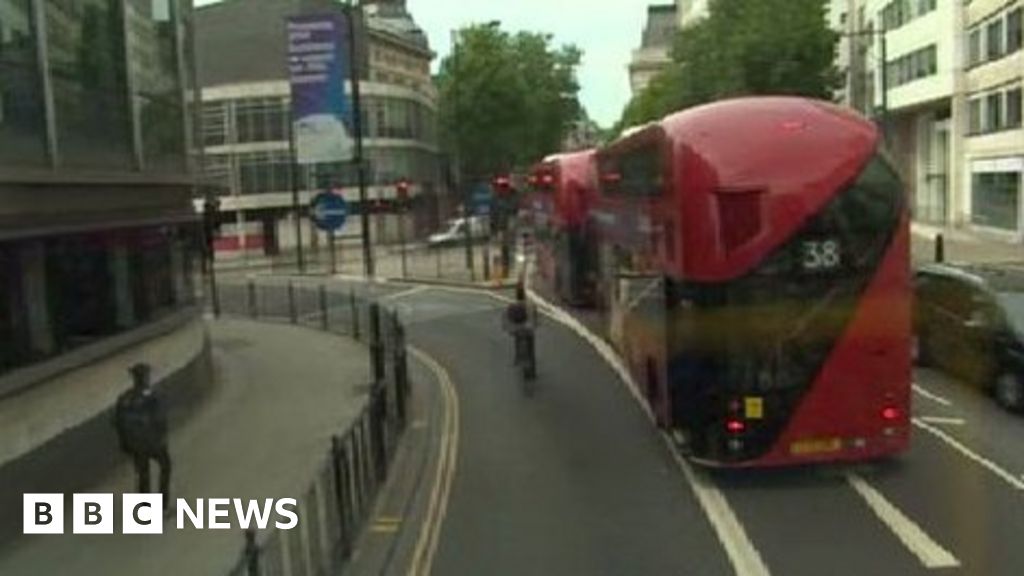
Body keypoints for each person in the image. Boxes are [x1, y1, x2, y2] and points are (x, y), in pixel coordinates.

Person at [114, 363, 171, 510]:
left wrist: (125, 444)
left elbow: (117, 422)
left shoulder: (124, 398)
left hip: (135, 444)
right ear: (145, 377)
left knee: (143, 474)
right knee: (165, 466)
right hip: (153, 442)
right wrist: (162, 436)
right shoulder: (152, 395)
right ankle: (163, 504)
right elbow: (160, 418)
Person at [503, 283, 534, 368]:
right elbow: (535, 319)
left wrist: (509, 329)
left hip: (517, 329)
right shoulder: (530, 305)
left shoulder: (511, 306)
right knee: (530, 339)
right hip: (527, 329)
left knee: (517, 338)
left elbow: (507, 319)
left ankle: (518, 357)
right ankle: (530, 357)